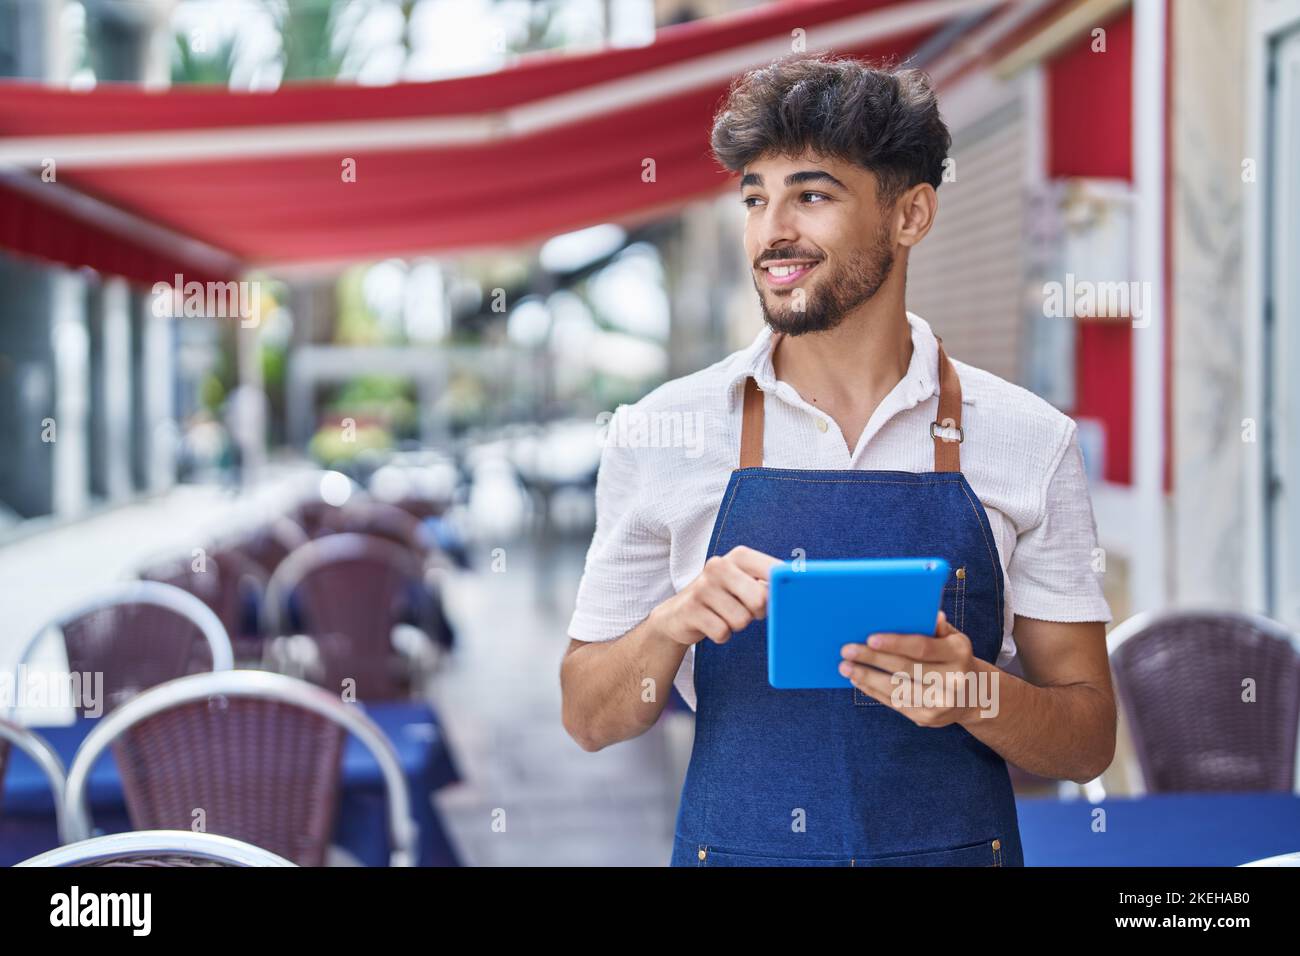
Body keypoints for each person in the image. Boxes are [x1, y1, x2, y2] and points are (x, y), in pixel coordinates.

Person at [560, 54, 1116, 867]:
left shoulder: (1029, 439)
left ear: (911, 214)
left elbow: (1087, 740)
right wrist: (670, 623)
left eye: (811, 195)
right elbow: (587, 717)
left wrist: (976, 694)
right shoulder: (660, 430)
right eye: (756, 198)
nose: (772, 231)